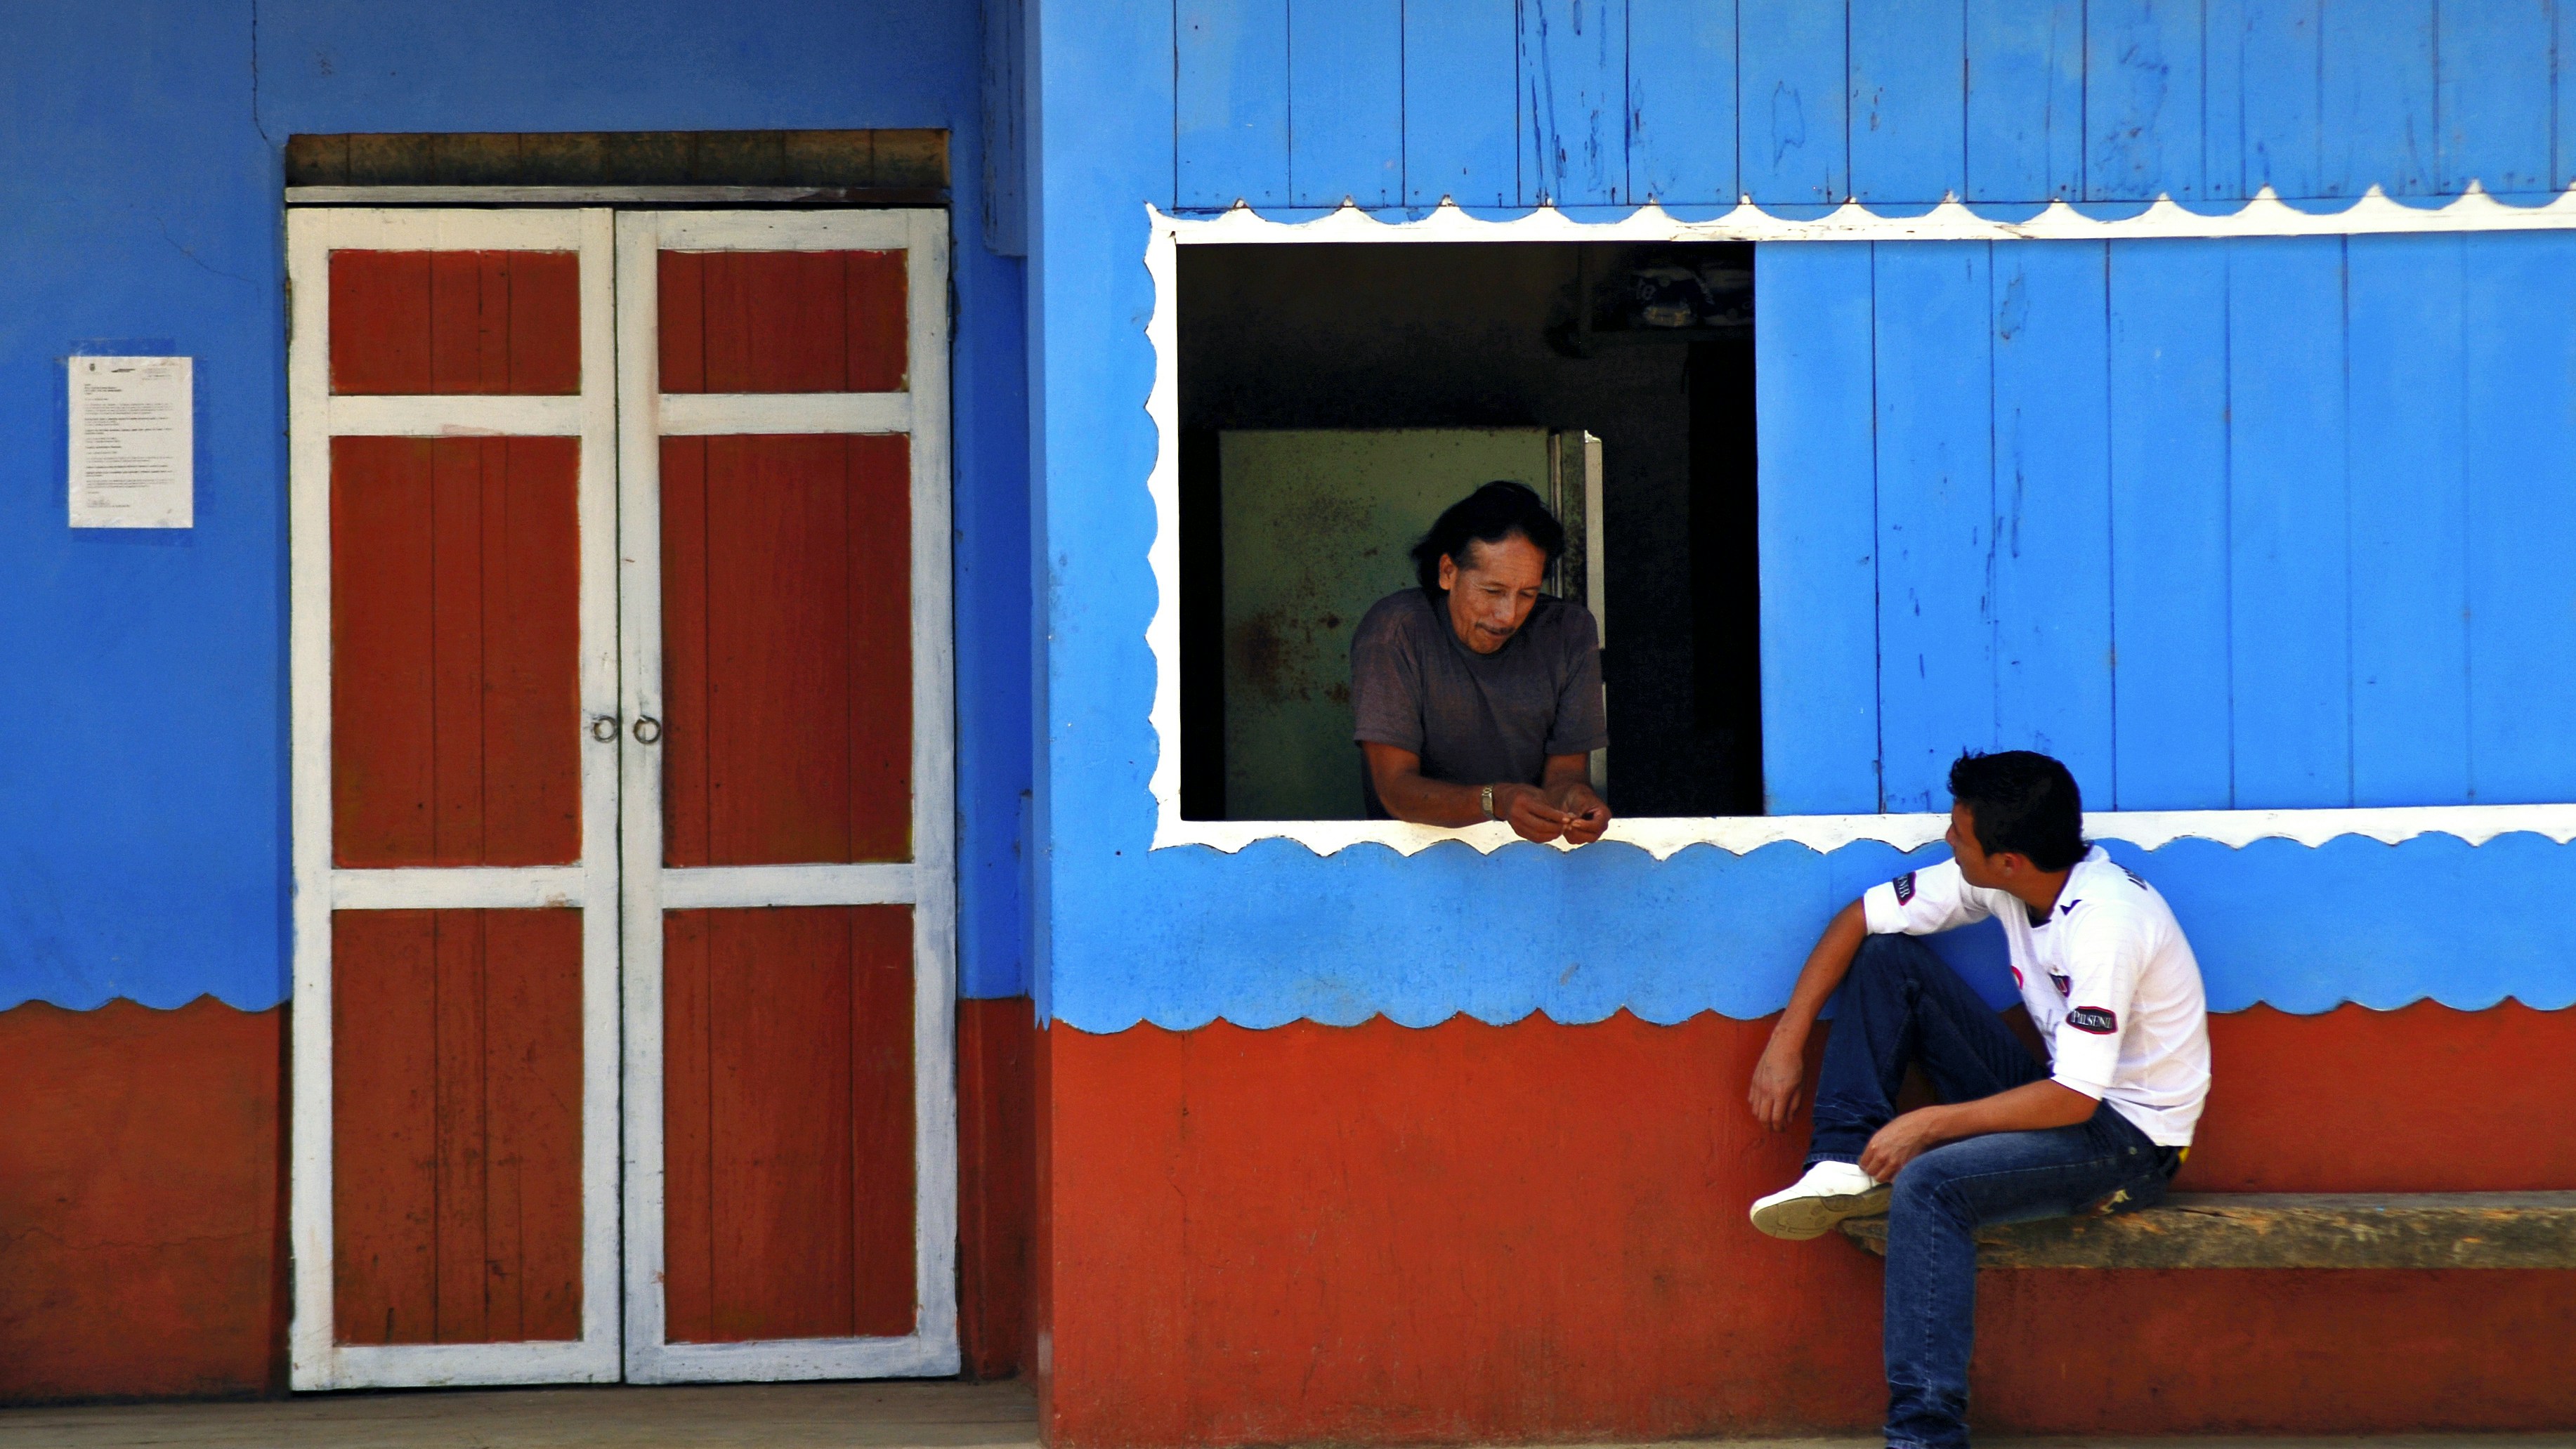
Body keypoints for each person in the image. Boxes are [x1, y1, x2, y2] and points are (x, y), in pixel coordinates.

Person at [1744, 750, 2209, 1449]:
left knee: (1930, 1186)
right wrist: (1786, 1040)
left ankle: (1924, 1431)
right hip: (2061, 1096)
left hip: (2129, 1145)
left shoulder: (2106, 921)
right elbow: (1861, 917)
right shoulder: (2011, 883)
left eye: (1958, 836)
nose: (1946, 842)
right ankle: (1840, 1158)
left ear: (2009, 858)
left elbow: (2077, 1100)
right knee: (1888, 956)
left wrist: (1929, 1125)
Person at [1349, 480, 1611, 844]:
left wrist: (1576, 801)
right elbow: (1396, 790)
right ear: (1447, 572)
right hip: (1411, 861)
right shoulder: (1396, 631)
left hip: (1533, 859)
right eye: (1493, 591)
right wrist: (1498, 801)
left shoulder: (1568, 631)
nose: (1507, 615)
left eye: (1528, 594)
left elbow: (1565, 775)